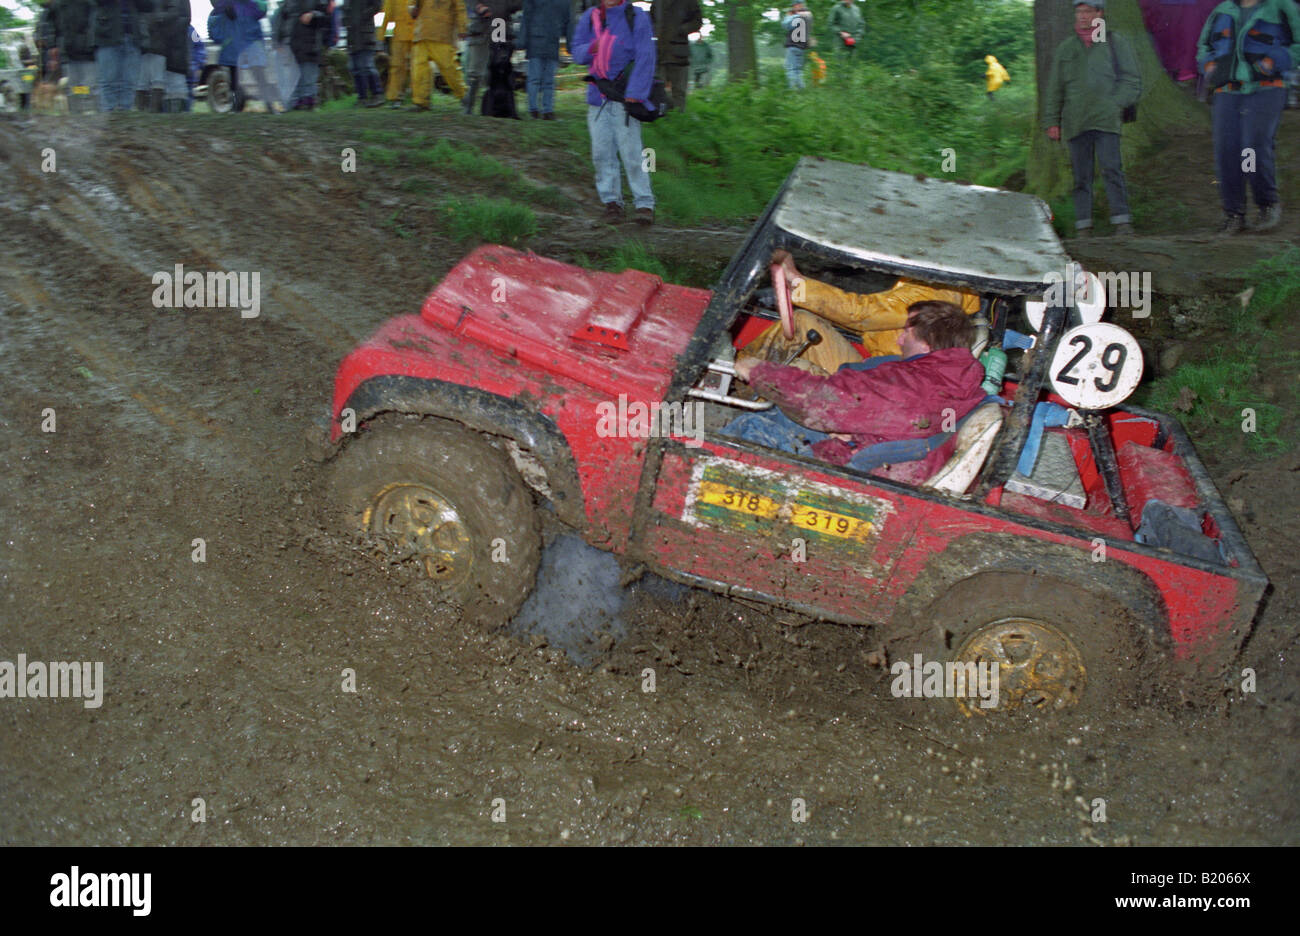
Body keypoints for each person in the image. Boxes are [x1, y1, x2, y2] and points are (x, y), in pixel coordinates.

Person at [727, 300, 985, 474]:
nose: (899, 339)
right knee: (776, 413)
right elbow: (899, 420)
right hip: (877, 451)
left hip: (854, 470)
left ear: (927, 344)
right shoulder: (956, 377)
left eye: (906, 333)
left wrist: (757, 371)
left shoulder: (908, 386)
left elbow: (821, 401)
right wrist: (857, 432)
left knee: (751, 427)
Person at [740, 249, 980, 375]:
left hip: (884, 377)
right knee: (805, 322)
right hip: (878, 366)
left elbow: (862, 314)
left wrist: (797, 282)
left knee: (802, 328)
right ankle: (741, 378)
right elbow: (871, 318)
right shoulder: (935, 282)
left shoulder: (936, 292)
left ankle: (738, 380)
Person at [1197, 0, 1300, 233]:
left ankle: (1266, 204)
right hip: (1227, 91)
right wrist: (1210, 66)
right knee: (1227, 150)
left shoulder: (1281, 6)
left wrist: (1273, 61)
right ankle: (1234, 213)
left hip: (1266, 87)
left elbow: (1297, 44)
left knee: (1251, 147)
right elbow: (1204, 45)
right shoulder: (1222, 9)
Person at [1042, 1, 1141, 237]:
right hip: (1076, 121)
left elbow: (1132, 79)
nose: (1082, 16)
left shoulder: (1115, 43)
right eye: (1079, 12)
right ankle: (1083, 225)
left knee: (1111, 169)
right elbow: (1055, 88)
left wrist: (1115, 103)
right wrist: (1052, 121)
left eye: (1087, 11)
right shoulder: (1066, 48)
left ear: (1100, 13)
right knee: (1080, 176)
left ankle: (1122, 222)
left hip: (1106, 119)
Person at [572, 0, 657, 225]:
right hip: (597, 97)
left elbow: (646, 55)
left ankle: (644, 204)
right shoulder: (589, 17)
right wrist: (592, 48)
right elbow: (577, 53)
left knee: (632, 153)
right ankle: (612, 204)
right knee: (601, 154)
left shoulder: (636, 16)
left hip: (625, 97)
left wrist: (636, 93)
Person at [463, 0, 522, 114]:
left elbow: (517, 4)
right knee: (475, 73)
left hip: (500, 29)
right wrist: (479, 7)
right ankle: (468, 106)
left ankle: (497, 106)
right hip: (481, 30)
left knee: (500, 71)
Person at [409, 0, 467, 111]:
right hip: (422, 33)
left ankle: (465, 96)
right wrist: (411, 9)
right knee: (419, 69)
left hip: (442, 34)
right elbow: (411, 4)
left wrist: (462, 28)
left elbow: (460, 8)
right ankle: (420, 102)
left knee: (449, 68)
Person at [95, 0, 151, 111]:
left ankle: (125, 115)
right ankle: (108, 114)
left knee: (130, 82)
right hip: (107, 35)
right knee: (108, 81)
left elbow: (150, 5)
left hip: (133, 36)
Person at [519, 0, 571, 118]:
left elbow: (568, 21)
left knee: (544, 79)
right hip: (540, 42)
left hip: (549, 42)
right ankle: (536, 109)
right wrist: (522, 41)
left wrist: (521, 41)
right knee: (538, 79)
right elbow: (526, 17)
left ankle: (544, 110)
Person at [652, 0, 701, 112]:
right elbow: (652, 19)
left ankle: (679, 121)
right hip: (660, 53)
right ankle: (660, 118)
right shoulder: (657, 2)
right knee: (657, 88)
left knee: (679, 92)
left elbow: (697, 21)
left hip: (679, 54)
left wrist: (682, 30)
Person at [52, 0, 99, 113]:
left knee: (89, 87)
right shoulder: (61, 5)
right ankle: (76, 117)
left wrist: (90, 44)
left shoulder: (90, 3)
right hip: (70, 53)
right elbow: (58, 29)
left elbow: (93, 26)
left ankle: (90, 115)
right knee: (73, 89)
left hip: (88, 53)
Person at [284, 0, 332, 109]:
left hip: (311, 44)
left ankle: (308, 102)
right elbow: (285, 19)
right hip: (293, 45)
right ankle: (296, 103)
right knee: (295, 78)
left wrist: (313, 15)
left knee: (308, 77)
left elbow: (326, 18)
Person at [344, 0, 384, 106]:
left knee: (366, 66)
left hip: (365, 33)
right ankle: (362, 97)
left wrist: (363, 15)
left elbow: (378, 5)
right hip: (353, 34)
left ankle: (377, 94)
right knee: (356, 68)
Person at [378, 0, 415, 106]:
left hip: (417, 34)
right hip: (399, 35)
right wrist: (381, 35)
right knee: (397, 66)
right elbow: (385, 14)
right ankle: (396, 97)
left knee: (417, 66)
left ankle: (419, 97)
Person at [159, 0, 189, 112]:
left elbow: (185, 18)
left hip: (175, 47)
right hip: (160, 47)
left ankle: (176, 115)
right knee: (162, 83)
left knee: (177, 84)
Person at [782, 1, 812, 90]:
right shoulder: (808, 15)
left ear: (798, 5)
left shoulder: (796, 16)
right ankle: (801, 91)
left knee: (791, 69)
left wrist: (791, 16)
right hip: (802, 47)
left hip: (792, 45)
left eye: (794, 5)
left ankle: (792, 91)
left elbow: (786, 25)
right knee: (799, 70)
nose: (793, 7)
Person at [826, 0, 863, 65]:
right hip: (840, 41)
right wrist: (841, 32)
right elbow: (830, 24)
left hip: (853, 41)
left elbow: (861, 24)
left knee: (851, 63)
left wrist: (857, 37)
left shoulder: (857, 9)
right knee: (839, 63)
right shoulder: (836, 8)